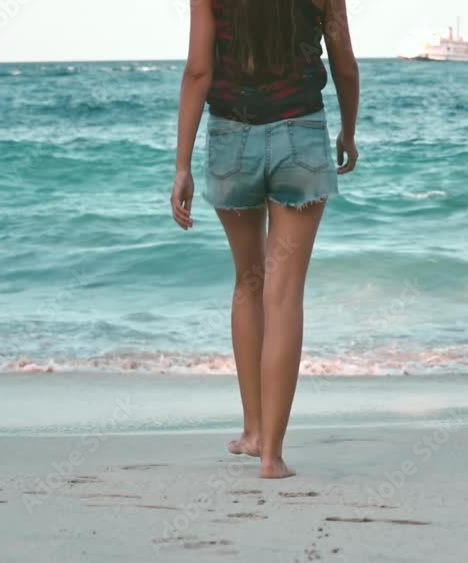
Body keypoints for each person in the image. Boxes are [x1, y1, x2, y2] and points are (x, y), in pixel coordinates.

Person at [170, 0, 359, 479]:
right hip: (303, 136)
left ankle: (253, 430)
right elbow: (344, 64)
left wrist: (182, 165)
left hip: (232, 138)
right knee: (284, 293)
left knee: (248, 284)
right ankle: (272, 455)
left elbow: (198, 71)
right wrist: (350, 132)